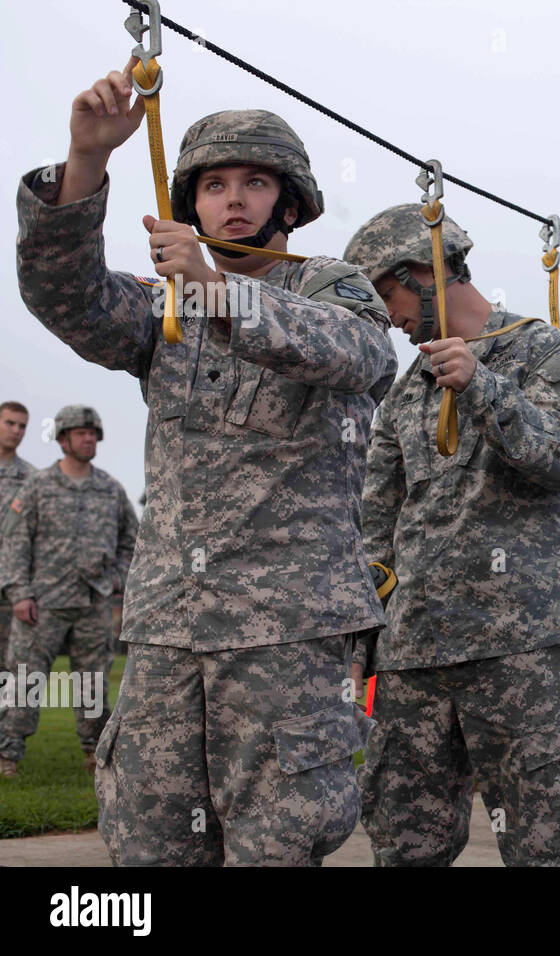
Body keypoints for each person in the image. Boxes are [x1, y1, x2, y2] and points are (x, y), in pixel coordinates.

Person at [15, 61, 397, 863]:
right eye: (214, 183)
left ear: (287, 202)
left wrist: (219, 291)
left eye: (255, 182)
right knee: (149, 843)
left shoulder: (335, 287)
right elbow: (66, 297)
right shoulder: (164, 312)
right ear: (189, 202)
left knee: (279, 845)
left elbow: (358, 353)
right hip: (166, 633)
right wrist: (87, 162)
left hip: (287, 635)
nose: (233, 198)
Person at [345, 204, 560, 866]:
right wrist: (363, 639)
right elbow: (375, 532)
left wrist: (485, 390)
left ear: (421, 273)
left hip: (522, 648)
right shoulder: (403, 393)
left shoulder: (543, 351)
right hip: (417, 655)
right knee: (402, 839)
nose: (389, 318)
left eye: (387, 295)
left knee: (552, 838)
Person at [0, 406, 136, 777]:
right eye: (80, 433)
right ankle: (7, 756)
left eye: (93, 433)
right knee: (24, 680)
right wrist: (20, 593)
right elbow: (15, 542)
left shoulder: (110, 489)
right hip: (41, 604)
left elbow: (133, 542)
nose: (88, 438)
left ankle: (95, 754)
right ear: (62, 440)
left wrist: (116, 579)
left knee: (91, 684)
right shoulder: (37, 486)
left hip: (93, 605)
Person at [0, 401, 34, 667]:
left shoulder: (33, 479)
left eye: (22, 426)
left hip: (11, 592)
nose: (16, 431)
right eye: (9, 423)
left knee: (12, 673)